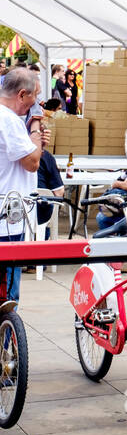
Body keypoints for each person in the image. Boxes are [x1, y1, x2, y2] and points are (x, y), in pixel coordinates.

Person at [0, 69, 45, 302]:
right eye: (34, 96)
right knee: (7, 295)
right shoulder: (8, 119)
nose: (35, 102)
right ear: (21, 94)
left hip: (7, 213)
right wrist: (36, 130)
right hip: (7, 219)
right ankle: (6, 337)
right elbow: (32, 162)